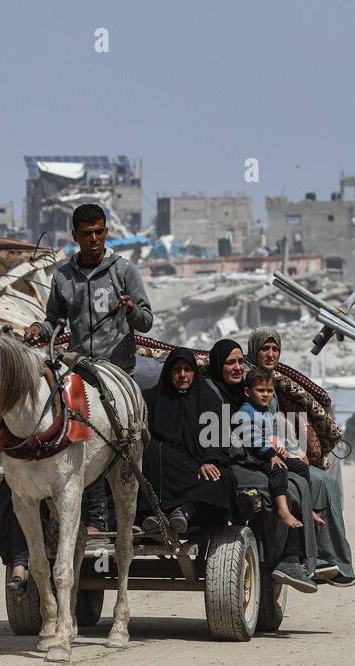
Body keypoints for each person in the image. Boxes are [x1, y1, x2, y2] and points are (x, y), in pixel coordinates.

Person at [43, 202, 154, 532]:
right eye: (87, 233)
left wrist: (131, 310)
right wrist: (40, 329)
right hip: (81, 373)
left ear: (106, 232)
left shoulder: (124, 271)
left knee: (129, 441)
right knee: (79, 439)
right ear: (75, 235)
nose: (94, 238)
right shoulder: (63, 277)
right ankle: (92, 520)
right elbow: (53, 321)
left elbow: (146, 321)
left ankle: (133, 514)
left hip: (120, 373)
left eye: (100, 232)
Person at [205, 338, 319, 590]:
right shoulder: (214, 396)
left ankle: (307, 547)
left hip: (257, 455)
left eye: (239, 362)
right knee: (284, 484)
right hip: (237, 462)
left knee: (300, 473)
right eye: (229, 362)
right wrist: (270, 453)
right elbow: (242, 436)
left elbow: (269, 430)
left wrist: (284, 448)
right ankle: (282, 556)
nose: (236, 367)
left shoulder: (257, 403)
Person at [247, 328, 355, 586]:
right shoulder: (253, 381)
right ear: (255, 350)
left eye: (275, 349)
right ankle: (317, 558)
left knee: (327, 482)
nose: (271, 354)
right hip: (263, 457)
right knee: (319, 482)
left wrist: (293, 449)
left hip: (279, 451)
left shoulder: (273, 383)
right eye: (265, 349)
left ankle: (333, 561)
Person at [140, 348, 235, 535]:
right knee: (154, 452)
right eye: (177, 369)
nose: (182, 375)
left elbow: (220, 437)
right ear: (169, 372)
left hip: (199, 465)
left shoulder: (210, 400)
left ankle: (185, 510)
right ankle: (158, 514)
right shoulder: (152, 398)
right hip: (166, 464)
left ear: (194, 372)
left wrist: (210, 460)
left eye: (187, 369)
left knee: (223, 479)